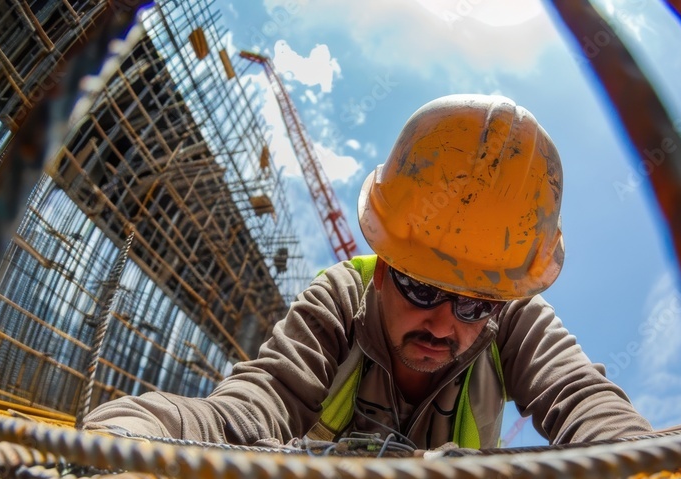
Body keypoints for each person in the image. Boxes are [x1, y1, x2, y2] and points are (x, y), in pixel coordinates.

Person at [84, 94, 651, 449]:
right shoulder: (341, 297)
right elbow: (262, 400)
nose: (443, 323)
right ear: (382, 269)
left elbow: (577, 396)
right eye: (421, 286)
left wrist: (645, 463)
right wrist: (150, 430)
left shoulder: (516, 316)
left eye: (474, 304)